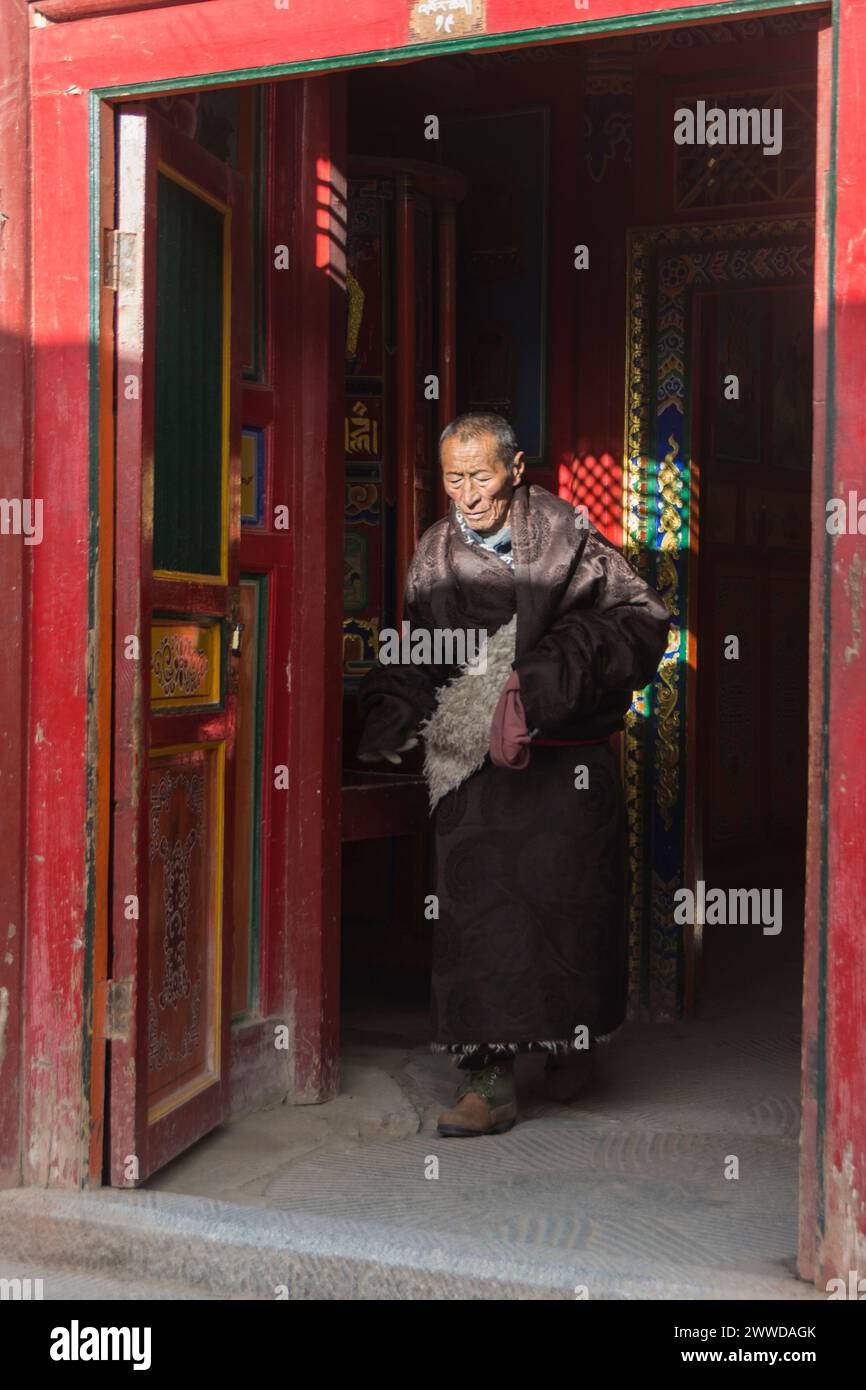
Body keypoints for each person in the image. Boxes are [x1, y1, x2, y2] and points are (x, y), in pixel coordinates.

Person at [357, 413, 670, 1137]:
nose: (466, 494)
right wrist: (392, 713)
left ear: (516, 467)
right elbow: (419, 646)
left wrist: (535, 682)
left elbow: (640, 619)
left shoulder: (567, 534)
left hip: (564, 762)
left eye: (481, 476)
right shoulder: (436, 549)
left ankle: (571, 1041)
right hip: (474, 768)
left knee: (568, 907)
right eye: (453, 479)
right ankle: (489, 1077)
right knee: (481, 914)